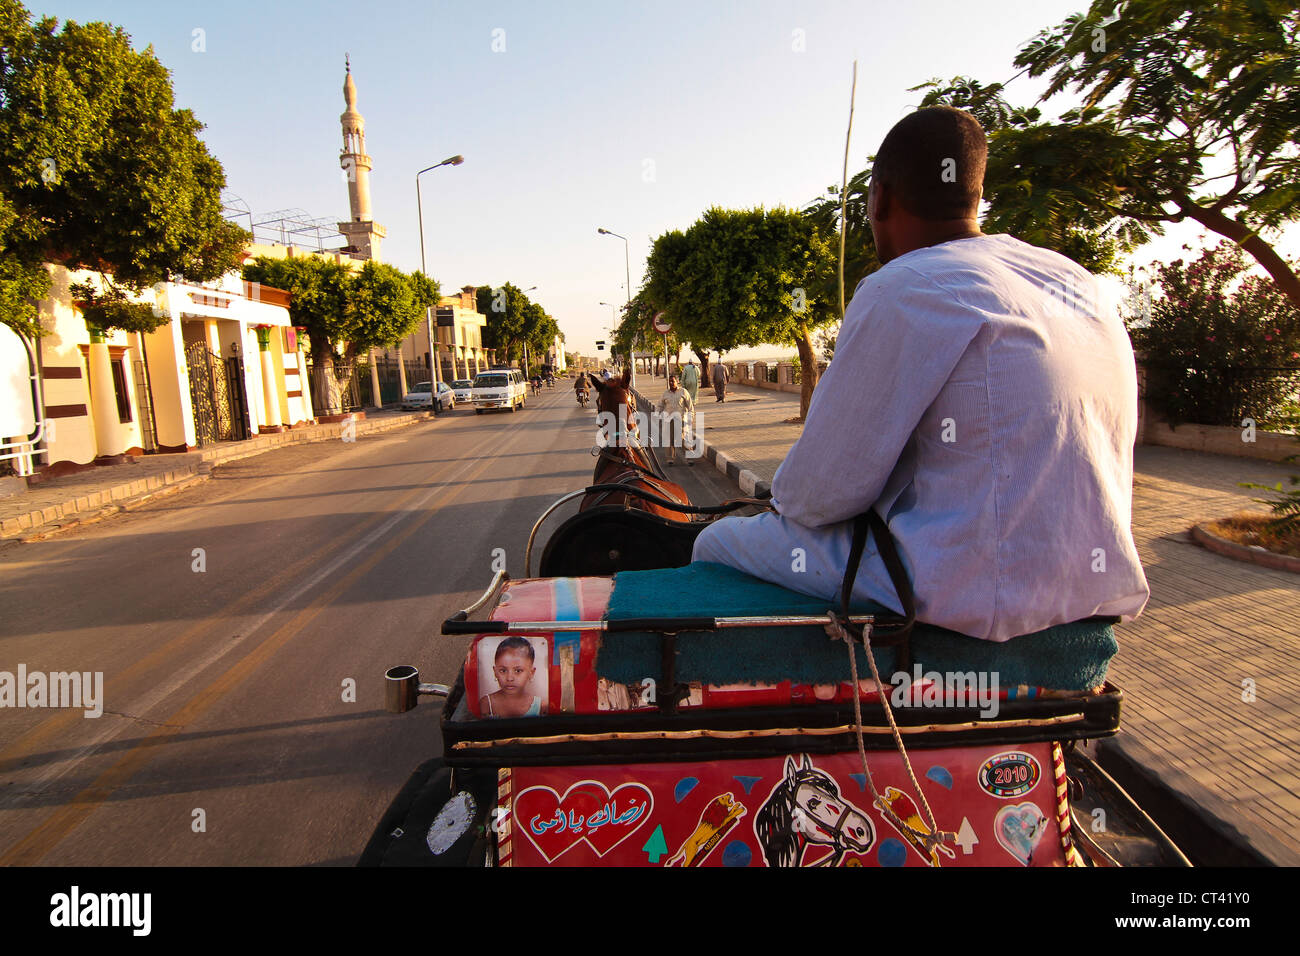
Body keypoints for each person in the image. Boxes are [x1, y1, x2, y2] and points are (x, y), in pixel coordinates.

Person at [692, 106, 1149, 642]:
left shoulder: (903, 287)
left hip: (966, 588)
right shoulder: (1078, 282)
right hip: (1090, 582)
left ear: (880, 198)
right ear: (976, 197)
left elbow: (816, 498)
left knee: (716, 542)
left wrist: (786, 502)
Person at [479, 637, 542, 718]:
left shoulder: (540, 706)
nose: (509, 678)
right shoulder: (487, 704)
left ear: (531, 673)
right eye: (503, 671)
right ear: (495, 672)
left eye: (518, 671)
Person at [656, 374, 695, 465]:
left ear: (677, 381)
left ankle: (690, 458)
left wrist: (690, 417)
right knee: (669, 439)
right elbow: (660, 405)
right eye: (669, 381)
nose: (671, 383)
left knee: (683, 439)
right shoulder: (665, 393)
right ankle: (670, 459)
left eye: (672, 381)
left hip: (681, 419)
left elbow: (690, 407)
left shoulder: (683, 392)